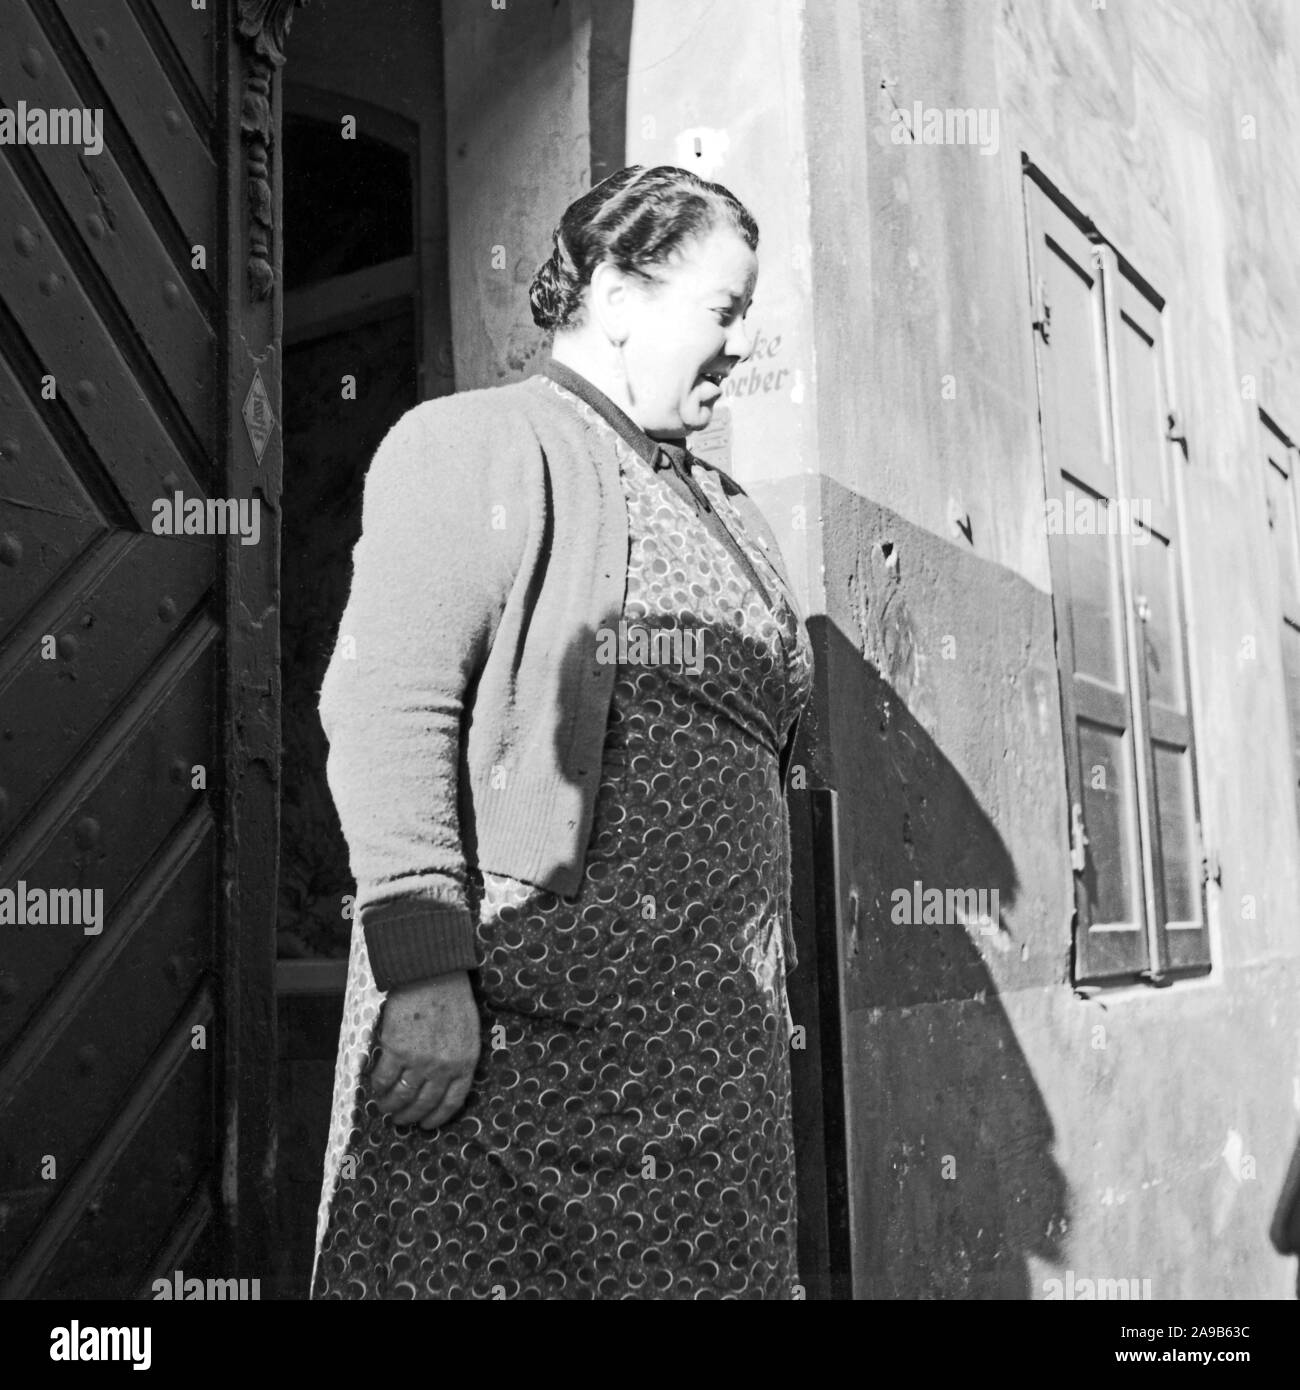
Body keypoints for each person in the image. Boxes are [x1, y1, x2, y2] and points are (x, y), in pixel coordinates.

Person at [311, 164, 814, 1299]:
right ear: (620, 295)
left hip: (696, 1061)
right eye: (723, 310)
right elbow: (388, 701)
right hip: (520, 1047)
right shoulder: (478, 445)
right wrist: (425, 976)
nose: (741, 344)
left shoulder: (718, 504)